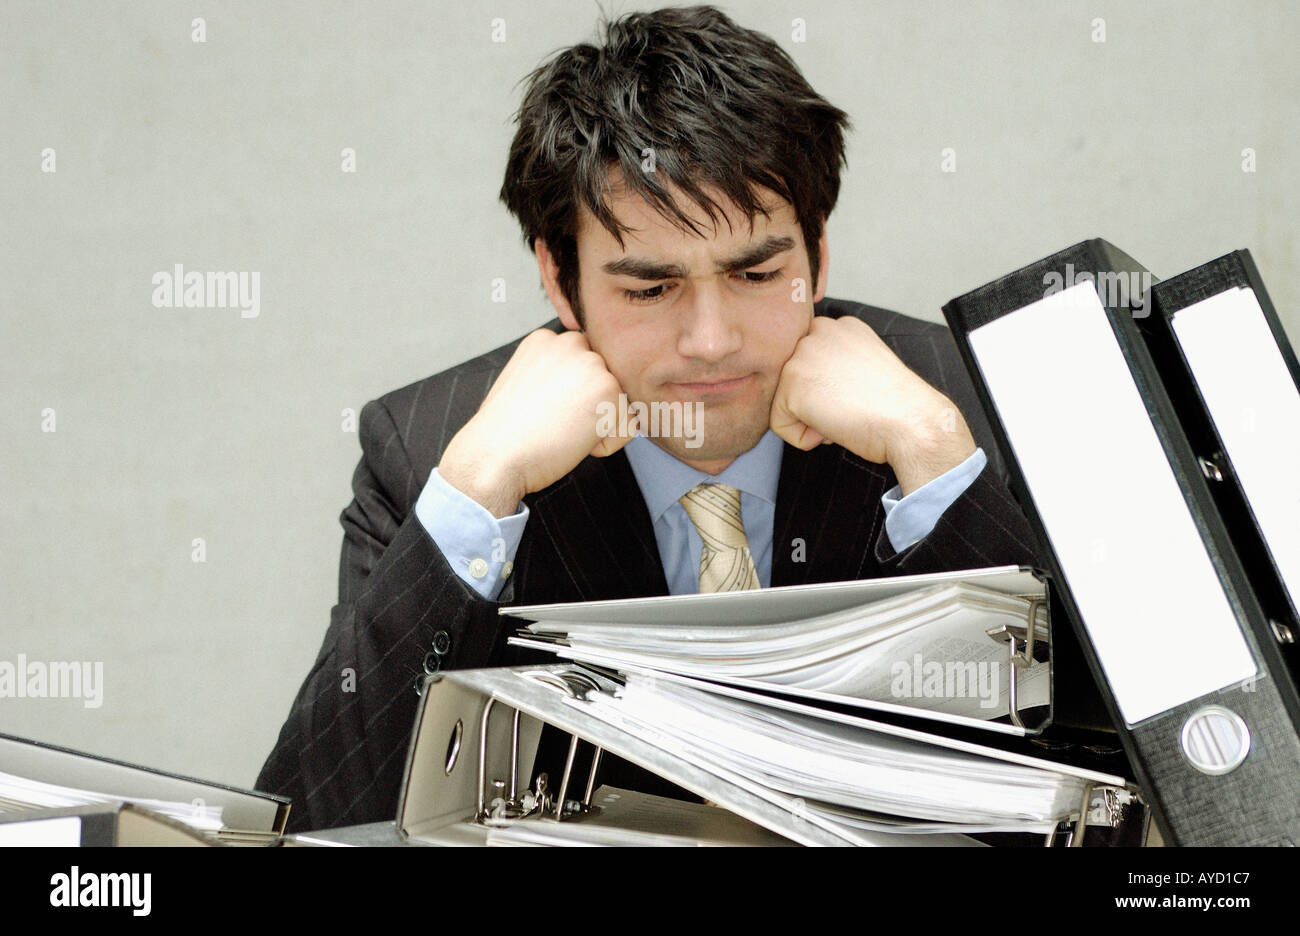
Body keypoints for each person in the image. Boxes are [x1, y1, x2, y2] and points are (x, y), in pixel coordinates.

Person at [256, 5, 1040, 833]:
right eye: (649, 289)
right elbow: (318, 815)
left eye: (757, 273)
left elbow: (1129, 780)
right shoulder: (428, 447)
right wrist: (479, 485)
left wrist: (933, 459)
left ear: (817, 253)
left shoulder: (966, 402)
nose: (712, 341)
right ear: (560, 283)